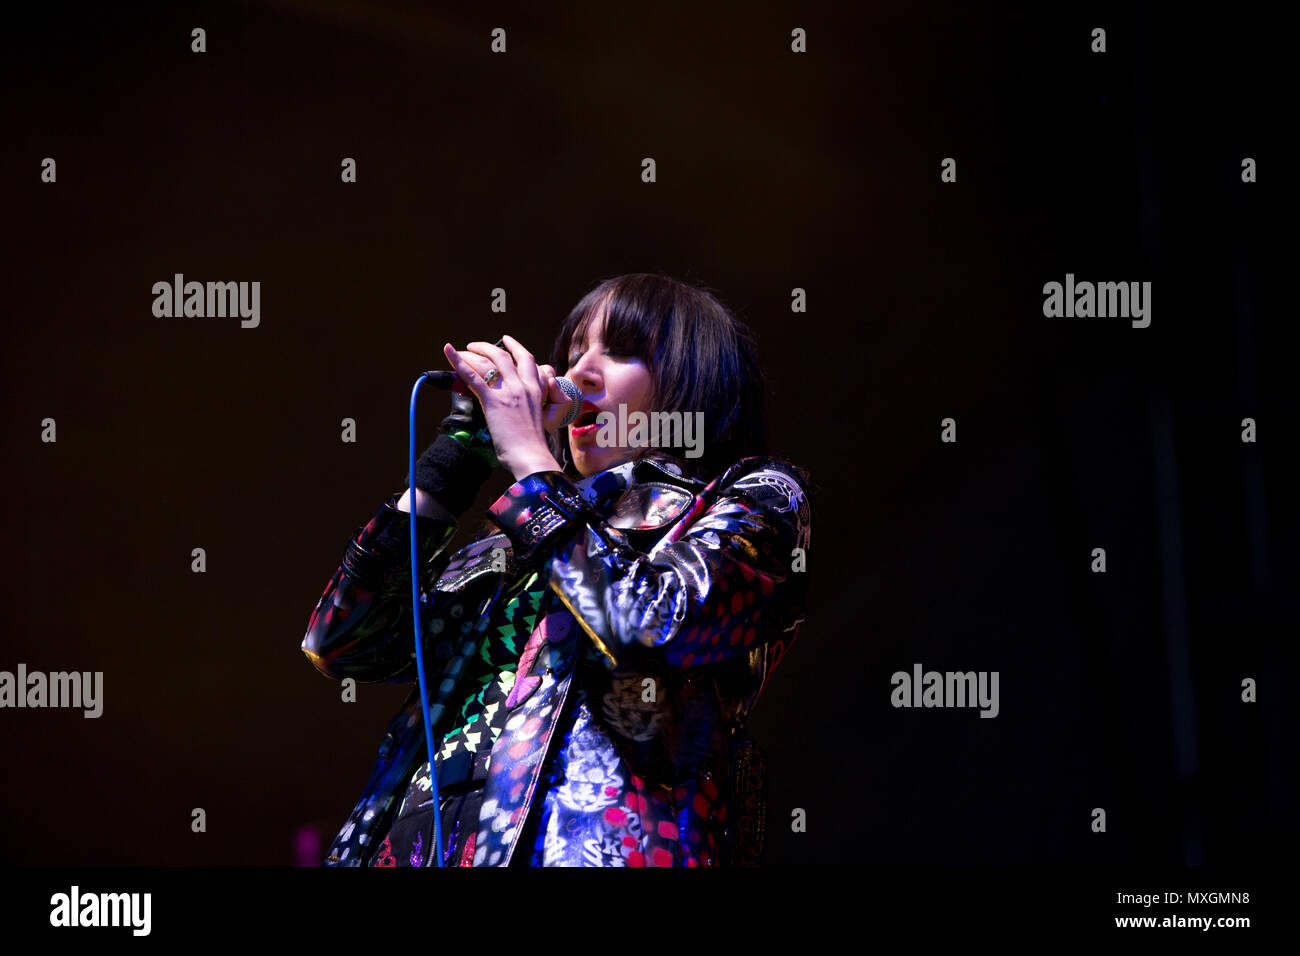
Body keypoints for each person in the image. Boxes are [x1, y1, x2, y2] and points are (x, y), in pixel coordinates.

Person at [300, 273, 814, 866]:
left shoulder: (754, 499)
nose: (580, 374)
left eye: (620, 351)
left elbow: (647, 625)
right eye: (573, 355)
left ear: (695, 382)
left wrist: (528, 459)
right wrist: (458, 456)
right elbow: (342, 642)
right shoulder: (518, 539)